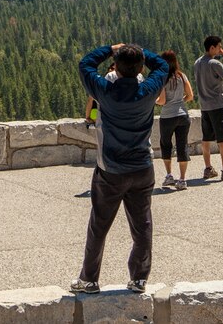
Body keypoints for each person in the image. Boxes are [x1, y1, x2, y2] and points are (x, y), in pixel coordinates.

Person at [70, 43, 168, 295]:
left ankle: (89, 280)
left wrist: (110, 49)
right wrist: (143, 53)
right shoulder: (148, 90)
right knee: (142, 225)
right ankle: (139, 279)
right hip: (142, 168)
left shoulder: (106, 91)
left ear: (118, 67)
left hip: (111, 170)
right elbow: (163, 65)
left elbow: (85, 64)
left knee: (99, 226)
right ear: (139, 69)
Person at [193, 36, 223, 180]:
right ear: (212, 48)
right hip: (218, 105)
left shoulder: (197, 62)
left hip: (204, 106)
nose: (221, 49)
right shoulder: (215, 63)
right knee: (222, 139)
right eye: (219, 47)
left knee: (206, 139)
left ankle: (208, 169)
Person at [155, 51, 192, 191]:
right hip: (183, 115)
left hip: (168, 117)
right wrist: (180, 102)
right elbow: (190, 95)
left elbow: (163, 100)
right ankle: (182, 179)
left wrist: (155, 101)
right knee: (182, 146)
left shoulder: (163, 78)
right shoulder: (182, 76)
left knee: (166, 145)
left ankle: (169, 175)